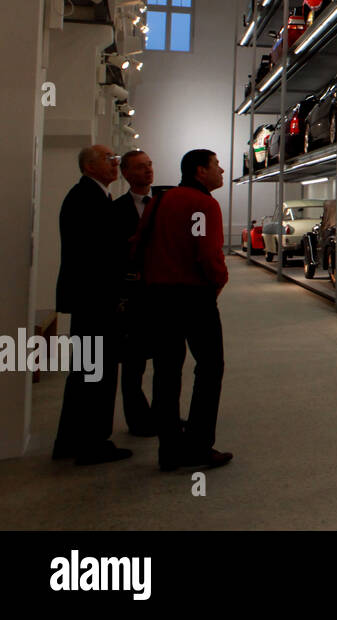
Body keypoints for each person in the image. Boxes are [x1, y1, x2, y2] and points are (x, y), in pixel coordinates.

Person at [136, 149, 232, 471]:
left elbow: (139, 244)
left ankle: (169, 450)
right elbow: (206, 253)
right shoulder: (204, 205)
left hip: (159, 298)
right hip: (194, 298)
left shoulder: (159, 201)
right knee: (209, 368)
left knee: (165, 371)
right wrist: (219, 280)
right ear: (199, 171)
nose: (221, 171)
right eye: (216, 165)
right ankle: (199, 446)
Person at [52, 146, 131, 465]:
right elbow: (98, 255)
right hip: (96, 300)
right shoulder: (87, 198)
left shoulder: (91, 195)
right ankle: (92, 443)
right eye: (107, 160)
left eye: (115, 159)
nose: (115, 164)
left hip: (90, 299)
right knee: (97, 372)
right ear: (88, 166)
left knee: (86, 370)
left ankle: (70, 441)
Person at [113, 150, 155, 436]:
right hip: (132, 293)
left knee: (164, 357)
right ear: (126, 174)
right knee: (133, 361)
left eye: (149, 166)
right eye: (141, 167)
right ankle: (138, 419)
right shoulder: (116, 210)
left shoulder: (161, 205)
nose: (148, 171)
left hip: (158, 291)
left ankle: (161, 415)